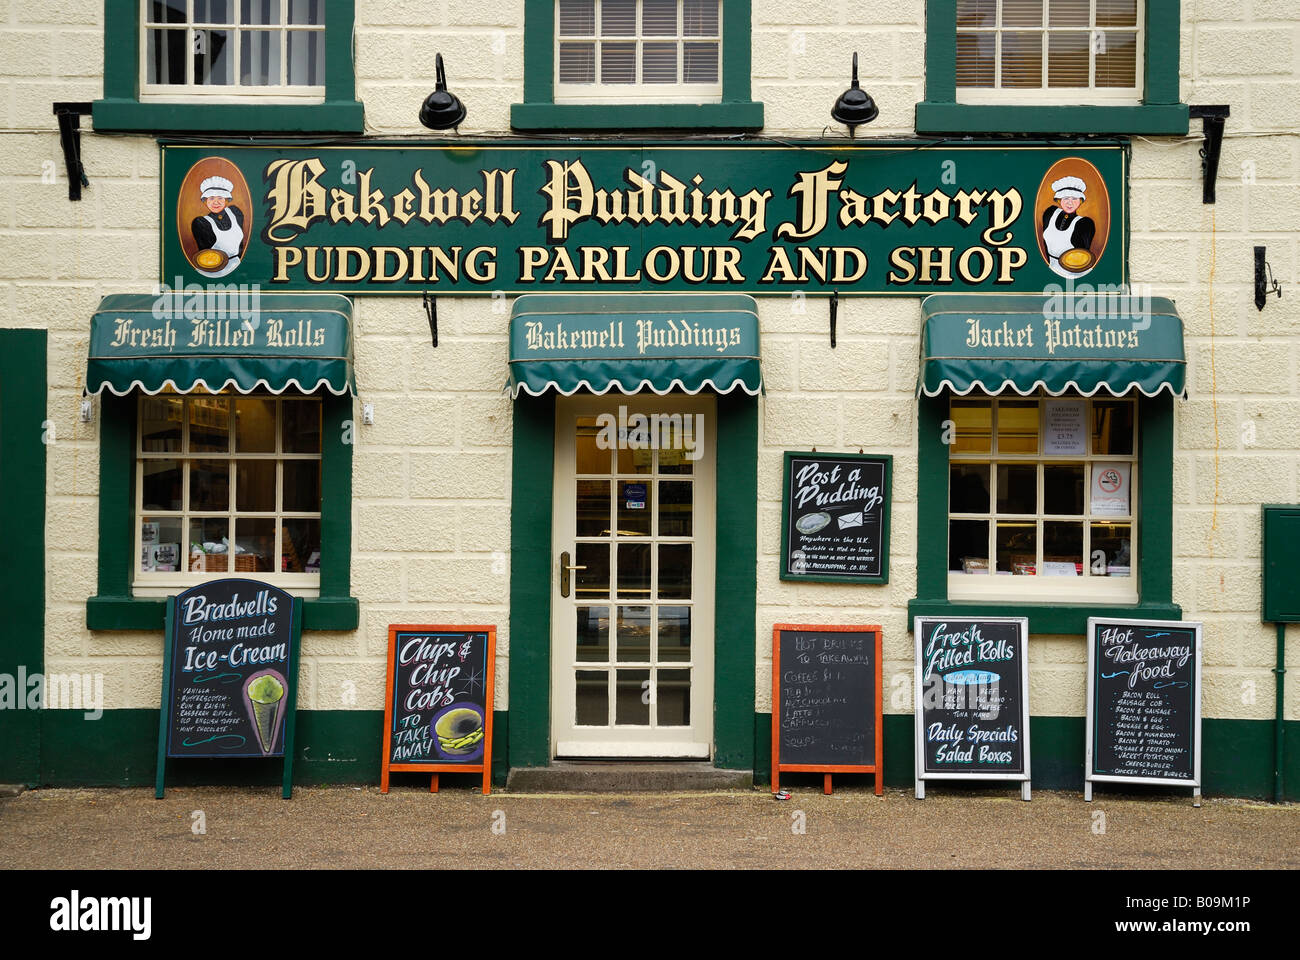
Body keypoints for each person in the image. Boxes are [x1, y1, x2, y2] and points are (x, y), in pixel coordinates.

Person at [1041, 175, 1096, 278]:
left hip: (1074, 274)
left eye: (1074, 199)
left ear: (1080, 201)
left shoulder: (1085, 224)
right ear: (1059, 199)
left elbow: (1084, 256)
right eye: (1066, 198)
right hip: (1051, 268)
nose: (1070, 202)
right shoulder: (1050, 213)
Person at [191, 175, 245, 278]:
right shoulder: (201, 223)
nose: (216, 202)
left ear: (226, 199)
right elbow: (205, 255)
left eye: (220, 198)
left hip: (237, 266)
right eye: (211, 198)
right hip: (213, 272)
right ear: (205, 201)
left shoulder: (235, 213)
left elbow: (241, 245)